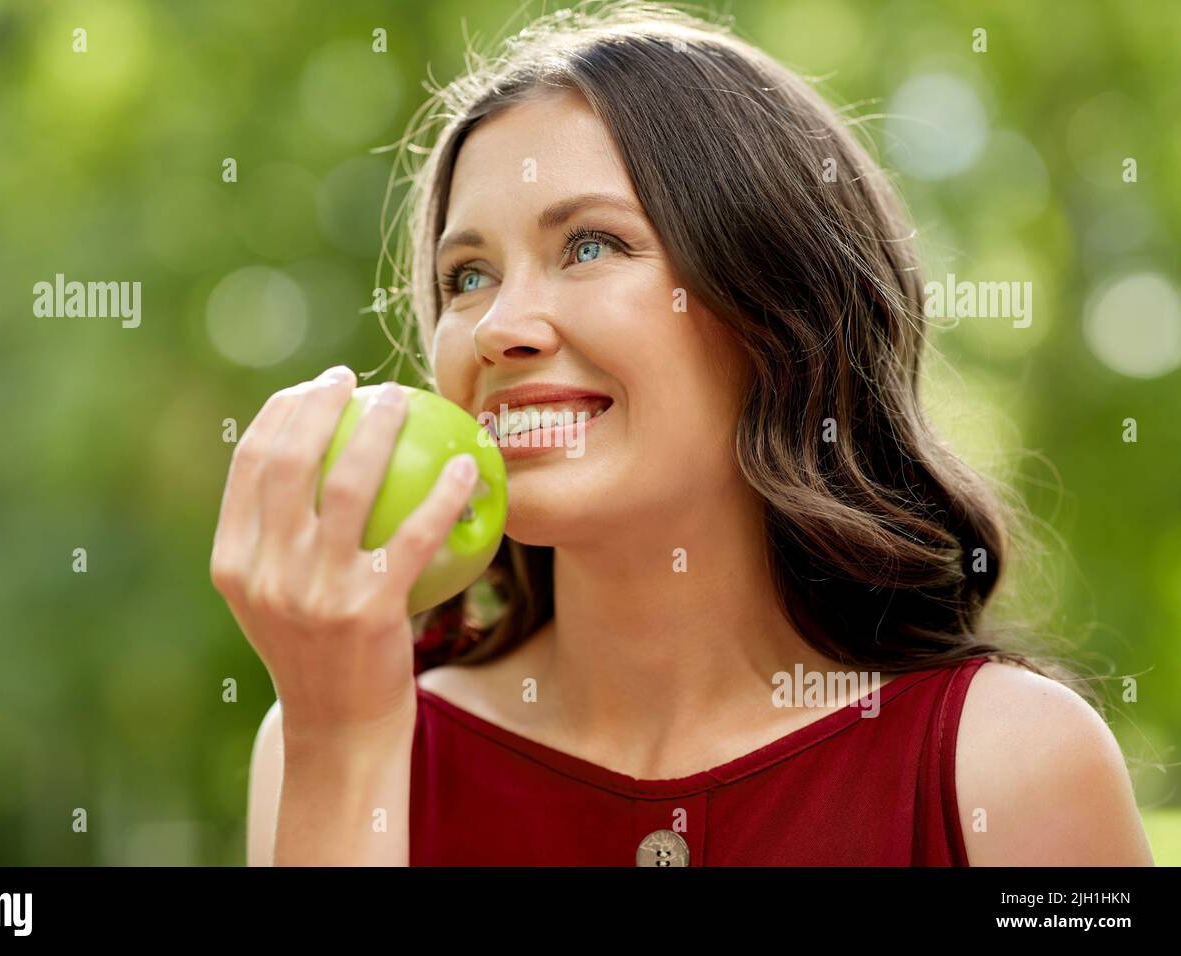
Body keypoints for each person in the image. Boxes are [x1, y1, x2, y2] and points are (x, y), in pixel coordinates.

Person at [210, 0, 1154, 866]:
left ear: (776, 307)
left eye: (590, 246)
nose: (500, 327)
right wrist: (340, 753)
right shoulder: (339, 736)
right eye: (468, 276)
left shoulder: (1009, 767)